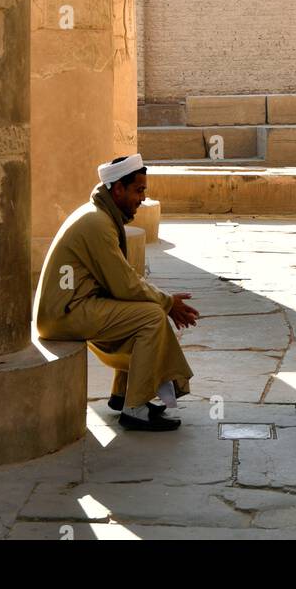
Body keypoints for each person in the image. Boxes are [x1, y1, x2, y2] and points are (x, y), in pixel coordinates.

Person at [35, 153, 199, 432]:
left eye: (144, 191)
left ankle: (124, 395)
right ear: (118, 189)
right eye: (138, 190)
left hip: (69, 307)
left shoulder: (98, 215)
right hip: (63, 314)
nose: (142, 198)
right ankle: (134, 410)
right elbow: (124, 283)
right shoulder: (97, 223)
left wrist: (164, 300)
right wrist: (167, 302)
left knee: (142, 311)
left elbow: (121, 281)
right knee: (150, 317)